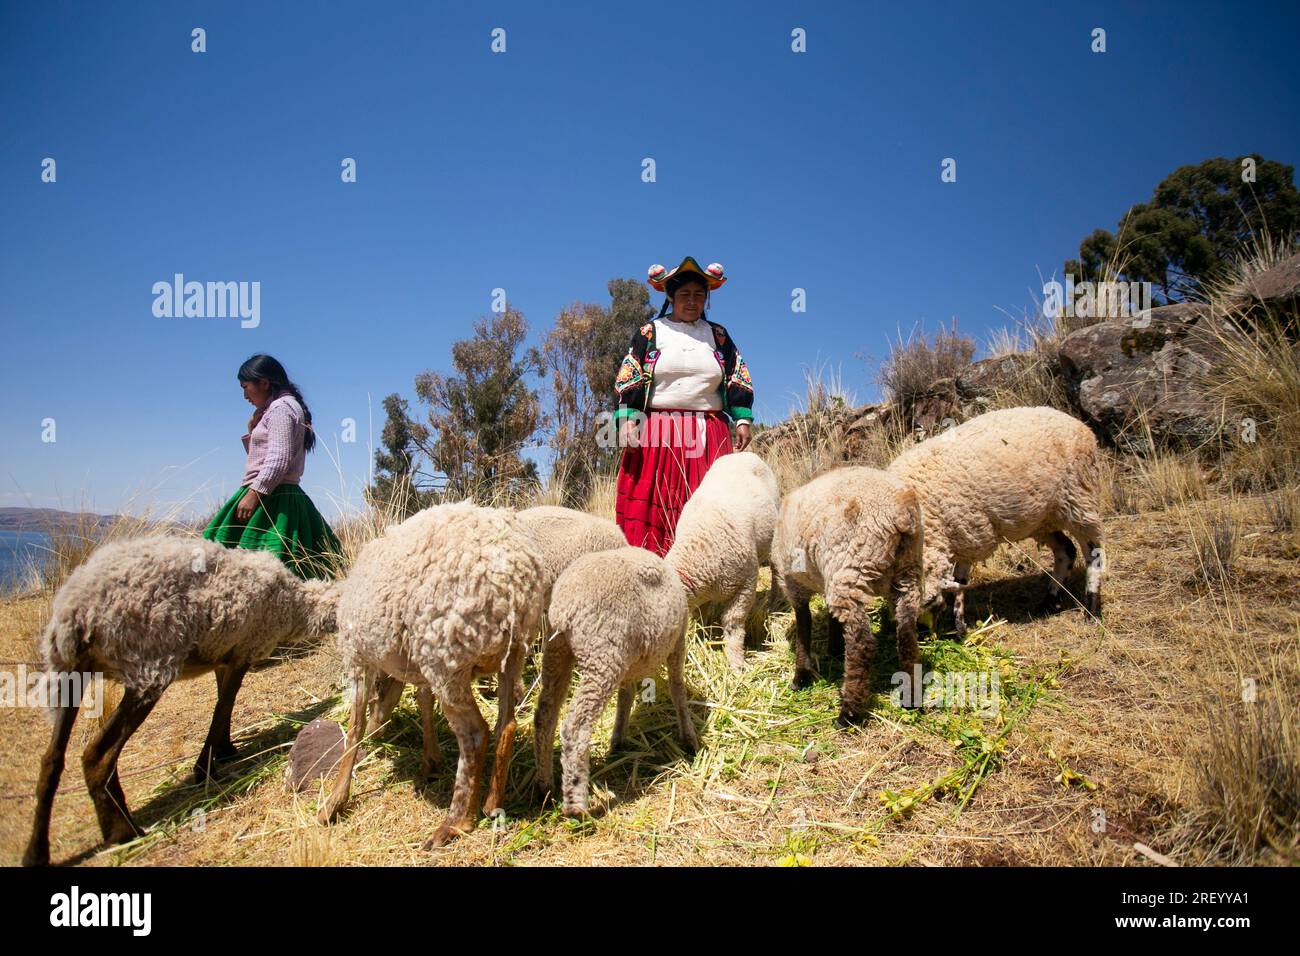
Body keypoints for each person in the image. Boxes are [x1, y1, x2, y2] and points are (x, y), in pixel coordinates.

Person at [613, 256, 755, 555]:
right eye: (685, 295)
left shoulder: (718, 336)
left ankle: (704, 576)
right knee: (657, 506)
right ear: (671, 296)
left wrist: (742, 418)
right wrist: (627, 419)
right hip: (658, 435)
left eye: (699, 295)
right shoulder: (649, 333)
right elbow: (630, 377)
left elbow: (735, 375)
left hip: (708, 434)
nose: (692, 302)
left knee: (707, 505)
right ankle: (651, 569)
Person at [203, 354, 341, 579]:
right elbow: (267, 457)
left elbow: (278, 458)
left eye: (246, 387)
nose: (244, 395)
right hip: (278, 493)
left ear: (265, 383)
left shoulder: (280, 409)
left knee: (255, 566)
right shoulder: (283, 408)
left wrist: (254, 494)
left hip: (273, 499)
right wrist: (252, 428)